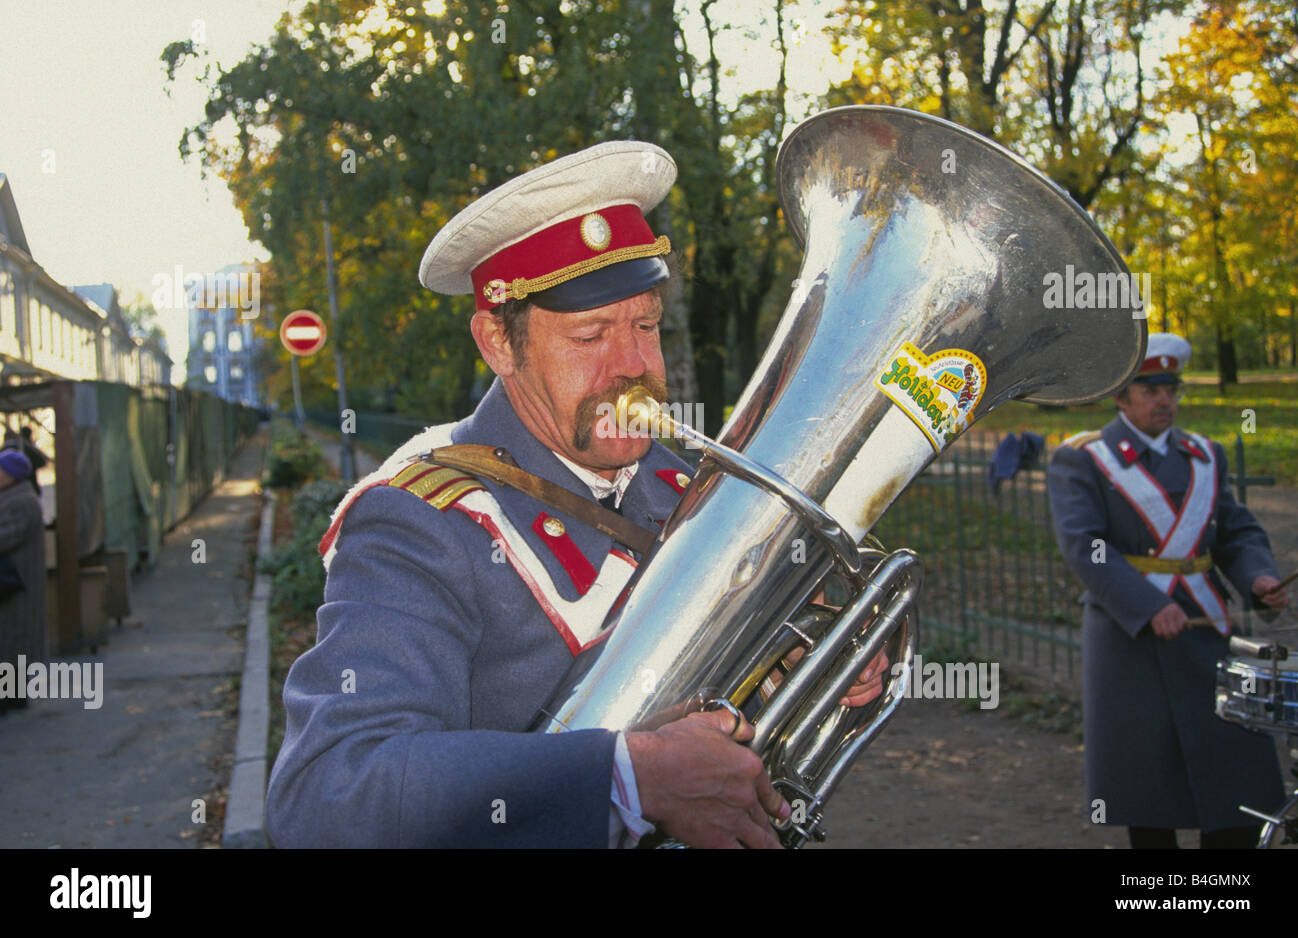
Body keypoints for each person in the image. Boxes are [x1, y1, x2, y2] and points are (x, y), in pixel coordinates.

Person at [266, 141, 887, 848]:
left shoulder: (689, 486)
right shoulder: (416, 521)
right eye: (590, 335)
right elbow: (329, 795)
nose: (635, 367)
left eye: (647, 325)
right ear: (498, 342)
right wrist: (629, 777)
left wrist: (808, 668)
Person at [1047, 332, 1289, 849]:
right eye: (1150, 388)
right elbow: (1084, 546)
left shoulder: (1205, 455)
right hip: (1129, 638)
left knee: (1235, 790)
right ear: (1120, 396)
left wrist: (1257, 578)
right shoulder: (1084, 459)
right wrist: (1148, 604)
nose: (1165, 400)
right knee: (1148, 797)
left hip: (1206, 635)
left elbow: (1236, 531)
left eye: (1171, 389)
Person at [0, 448, 46, 713]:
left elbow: (6, 535)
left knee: (14, 641)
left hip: (17, 584)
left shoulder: (22, 502)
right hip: (12, 582)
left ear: (10, 475)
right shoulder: (13, 497)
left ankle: (11, 697)